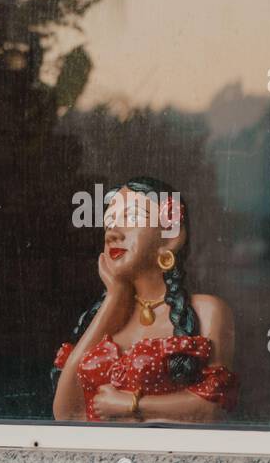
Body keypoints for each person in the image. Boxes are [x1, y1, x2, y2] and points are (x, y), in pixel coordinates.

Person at [52, 177, 238, 423]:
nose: (113, 234)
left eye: (131, 219)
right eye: (109, 224)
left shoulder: (207, 312)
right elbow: (66, 414)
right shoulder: (103, 317)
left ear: (171, 236)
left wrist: (131, 405)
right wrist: (114, 299)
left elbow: (214, 408)